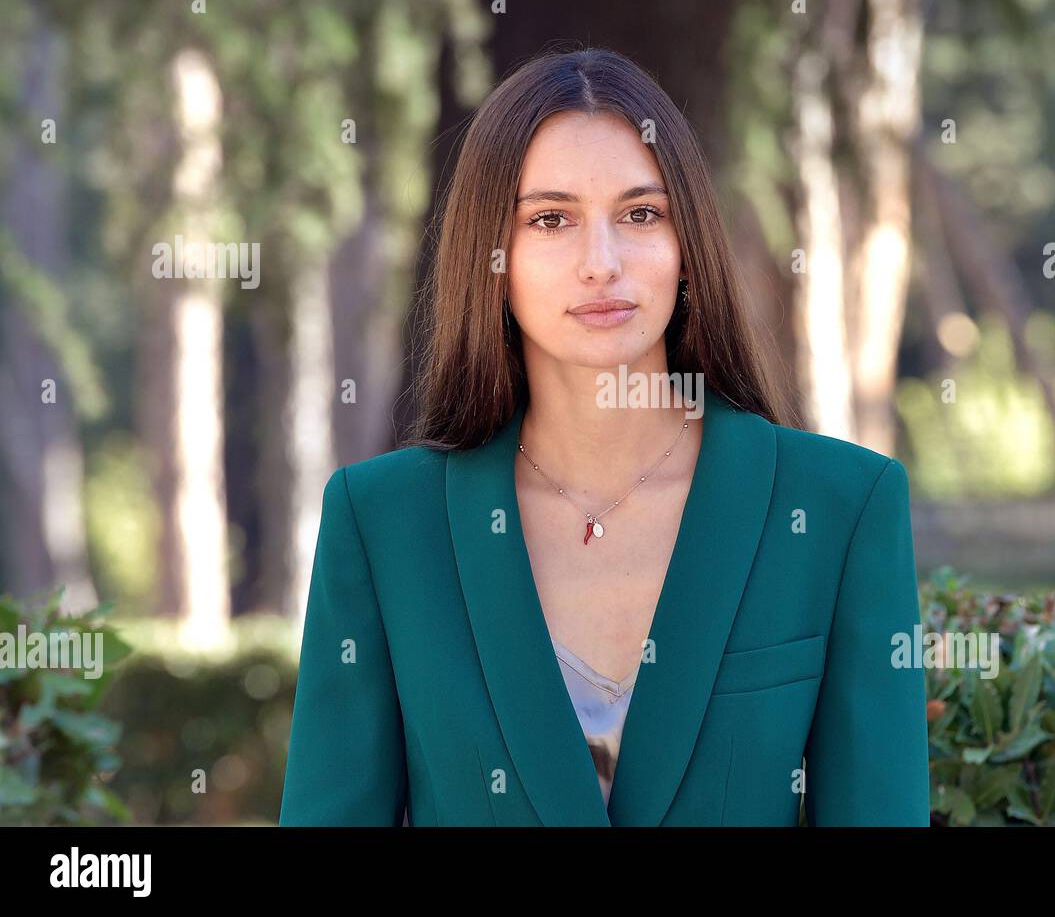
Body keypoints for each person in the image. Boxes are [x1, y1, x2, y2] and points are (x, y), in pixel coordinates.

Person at [279, 45, 929, 826]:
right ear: (493, 255)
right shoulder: (382, 522)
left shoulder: (838, 507)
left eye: (641, 214)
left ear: (688, 248)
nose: (602, 262)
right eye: (550, 219)